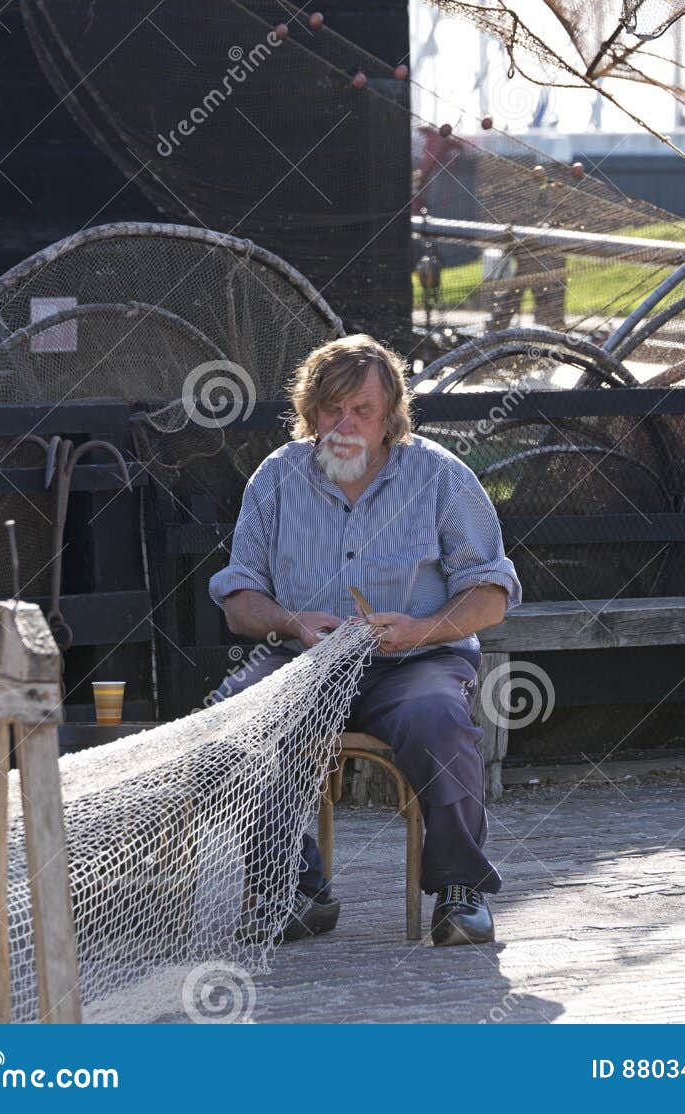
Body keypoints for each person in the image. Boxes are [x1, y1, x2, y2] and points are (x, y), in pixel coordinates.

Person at [208, 333, 521, 947]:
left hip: (414, 661)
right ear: (309, 412)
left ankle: (460, 892)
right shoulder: (276, 478)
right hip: (305, 657)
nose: (344, 425)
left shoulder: (440, 477)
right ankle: (294, 888)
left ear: (391, 418)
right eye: (331, 410)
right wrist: (295, 622)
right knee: (239, 718)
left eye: (362, 411)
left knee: (438, 719)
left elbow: (491, 595)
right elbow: (239, 600)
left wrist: (419, 630)